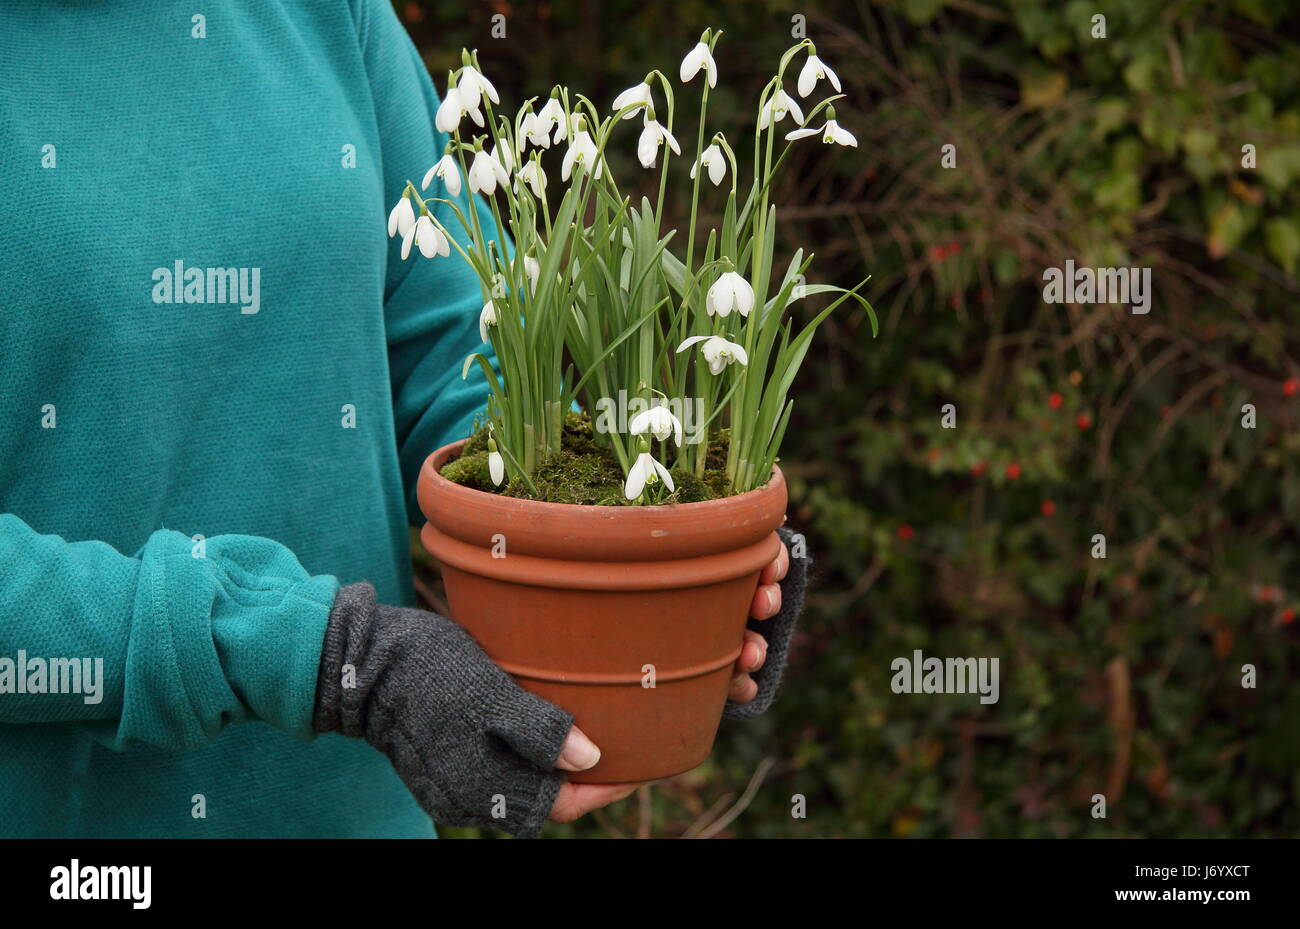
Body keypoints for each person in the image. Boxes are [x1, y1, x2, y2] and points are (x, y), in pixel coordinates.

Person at [0, 0, 805, 838]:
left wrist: (642, 545)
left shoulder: (328, 16)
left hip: (355, 817)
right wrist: (320, 657)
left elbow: (462, 345)